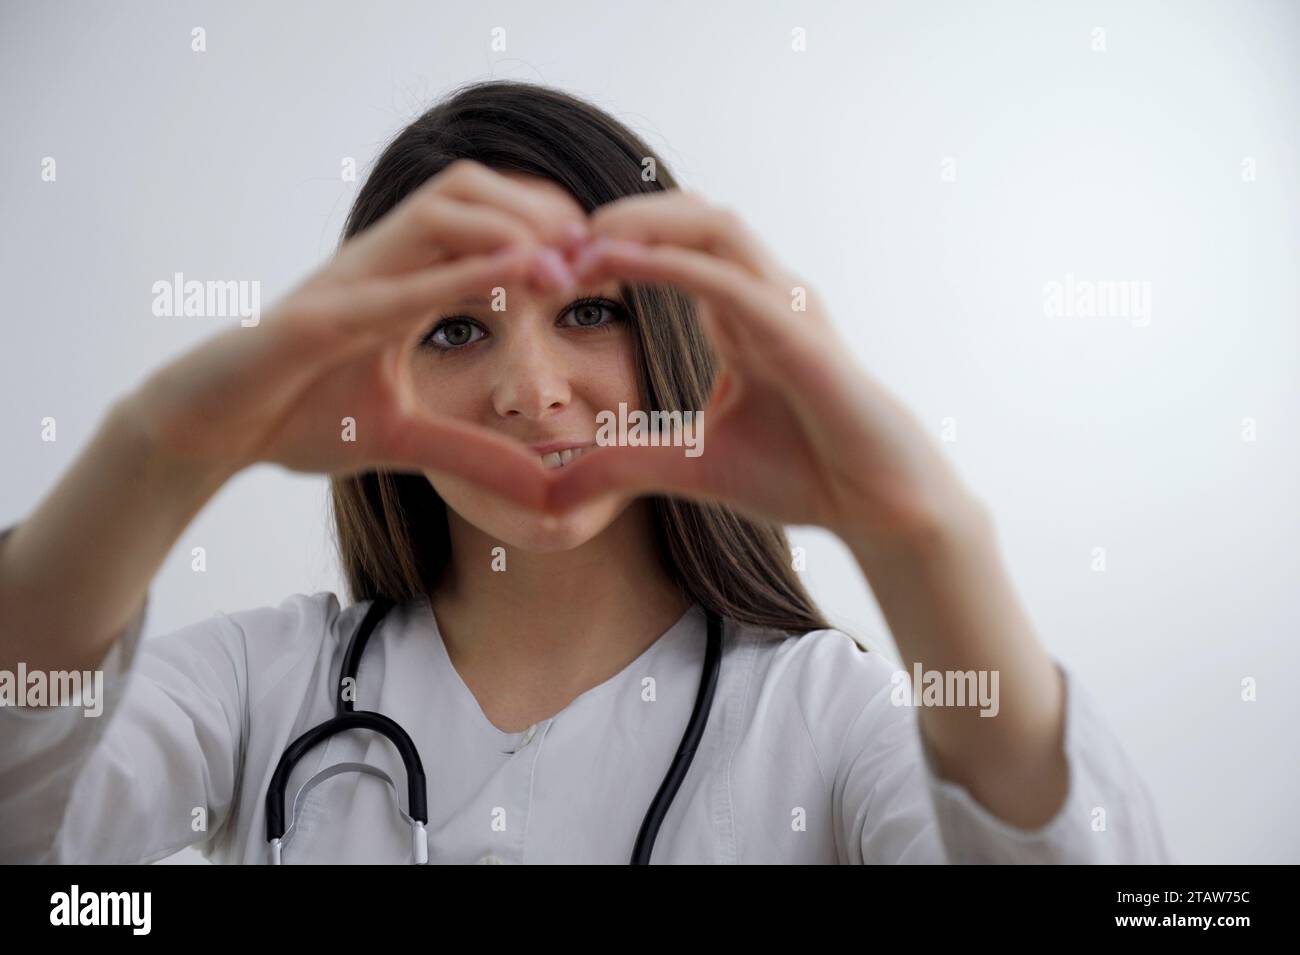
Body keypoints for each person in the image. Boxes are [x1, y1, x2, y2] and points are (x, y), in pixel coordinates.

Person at [0, 80, 1170, 864]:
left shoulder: (824, 719)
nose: (529, 389)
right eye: (457, 328)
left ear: (667, 332)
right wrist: (161, 447)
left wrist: (923, 535)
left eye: (591, 312)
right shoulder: (261, 687)